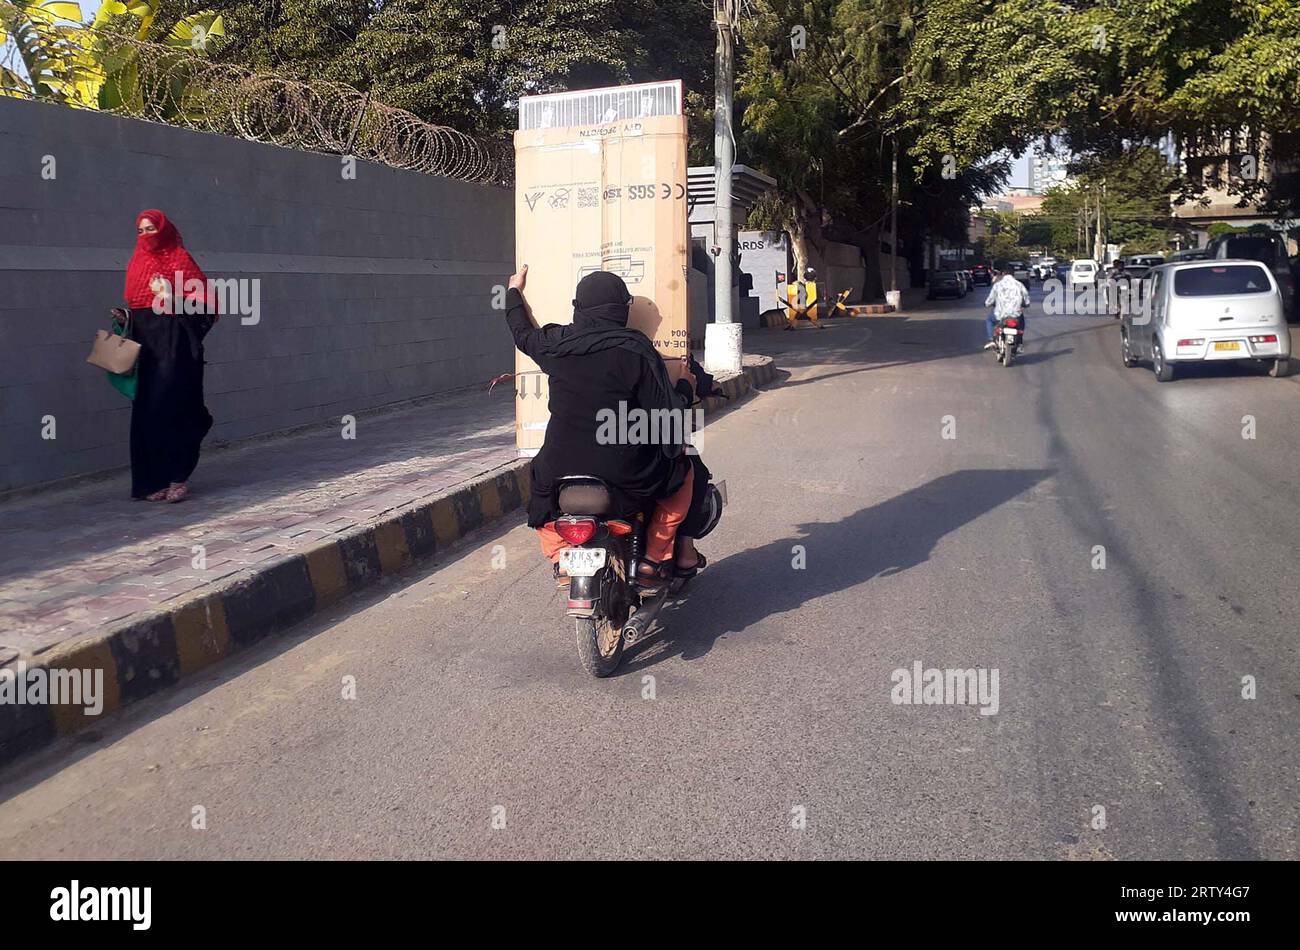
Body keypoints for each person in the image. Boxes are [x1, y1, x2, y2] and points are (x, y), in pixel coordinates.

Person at [503, 265, 708, 590]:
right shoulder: (637, 349)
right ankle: (653, 560)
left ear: (578, 307)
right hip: (626, 472)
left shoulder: (554, 344)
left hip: (558, 472)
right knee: (683, 473)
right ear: (622, 310)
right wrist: (684, 386)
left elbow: (521, 332)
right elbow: (667, 414)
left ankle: (559, 557)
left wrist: (514, 291)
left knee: (539, 488)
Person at [123, 210, 216, 502]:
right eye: (140, 230)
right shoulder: (137, 263)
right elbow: (138, 307)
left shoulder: (180, 260)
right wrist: (124, 315)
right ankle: (152, 482)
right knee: (149, 413)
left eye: (151, 229)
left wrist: (172, 296)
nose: (145, 235)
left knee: (181, 408)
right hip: (147, 351)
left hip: (177, 350)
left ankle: (178, 476)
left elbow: (207, 309)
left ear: (163, 230)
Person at [983, 267, 1030, 349]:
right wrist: (1025, 305)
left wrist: (986, 304)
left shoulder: (997, 285)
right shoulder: (1019, 285)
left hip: (1000, 314)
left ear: (1003, 274)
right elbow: (1026, 300)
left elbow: (990, 300)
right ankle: (1019, 341)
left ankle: (991, 340)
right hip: (1015, 314)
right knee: (1021, 321)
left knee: (989, 320)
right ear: (1013, 275)